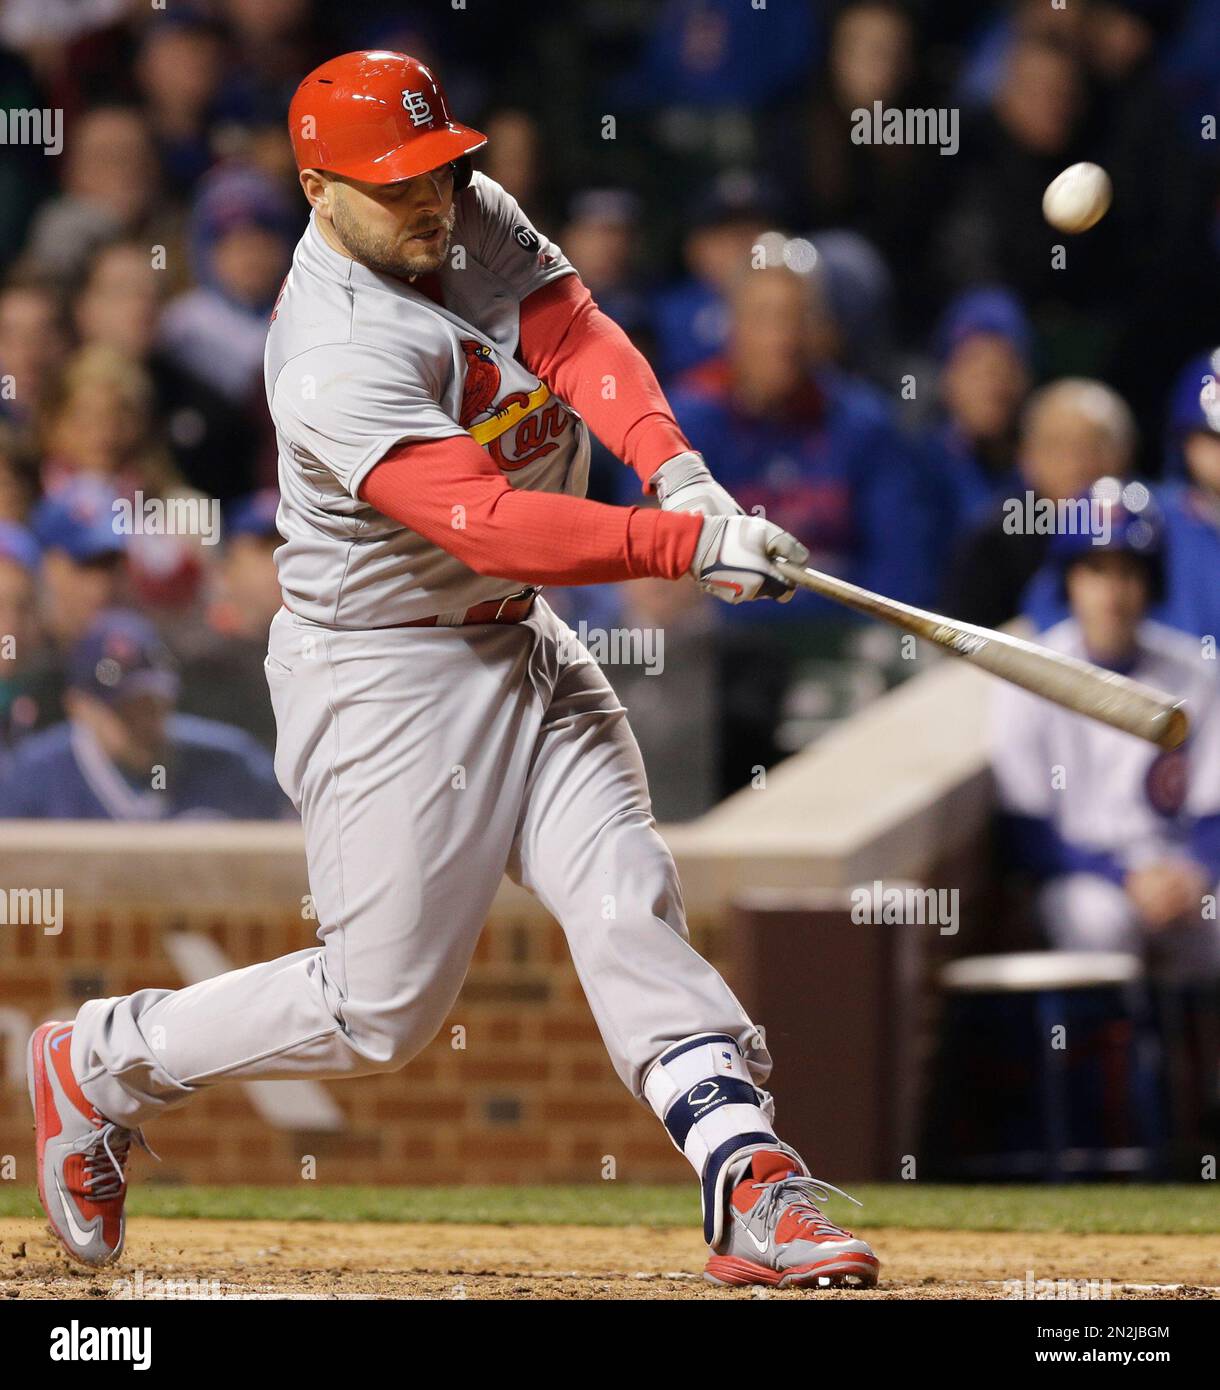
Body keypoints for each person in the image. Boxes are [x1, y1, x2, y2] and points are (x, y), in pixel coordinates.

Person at [27, 50, 879, 1290]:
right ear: (316, 190)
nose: (429, 199)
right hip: (380, 674)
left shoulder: (454, 207)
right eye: (394, 184)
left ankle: (747, 1177)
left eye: (437, 168)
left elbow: (571, 332)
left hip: (515, 634)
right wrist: (682, 545)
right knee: (377, 1010)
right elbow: (488, 522)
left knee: (622, 892)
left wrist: (678, 471)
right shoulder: (330, 348)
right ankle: (98, 1059)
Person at [991, 484, 1220, 982]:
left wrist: (1197, 875)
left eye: (1128, 572)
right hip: (1082, 874)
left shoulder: (1196, 675)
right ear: (1069, 580)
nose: (1113, 593)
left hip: (1178, 871)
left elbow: (1213, 814)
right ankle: (1110, 1036)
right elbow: (1027, 833)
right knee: (1098, 921)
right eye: (1096, 571)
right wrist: (1125, 878)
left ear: (1151, 582)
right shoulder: (1027, 674)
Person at [0, 607, 287, 820]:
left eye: (152, 705)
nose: (144, 723)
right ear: (80, 708)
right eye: (125, 710)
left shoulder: (234, 765)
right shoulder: (33, 780)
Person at [943, 377, 1137, 629]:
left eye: (1093, 446)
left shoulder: (1148, 531)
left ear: (1125, 454)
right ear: (1026, 459)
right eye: (1058, 446)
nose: (1076, 463)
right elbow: (964, 640)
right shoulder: (994, 541)